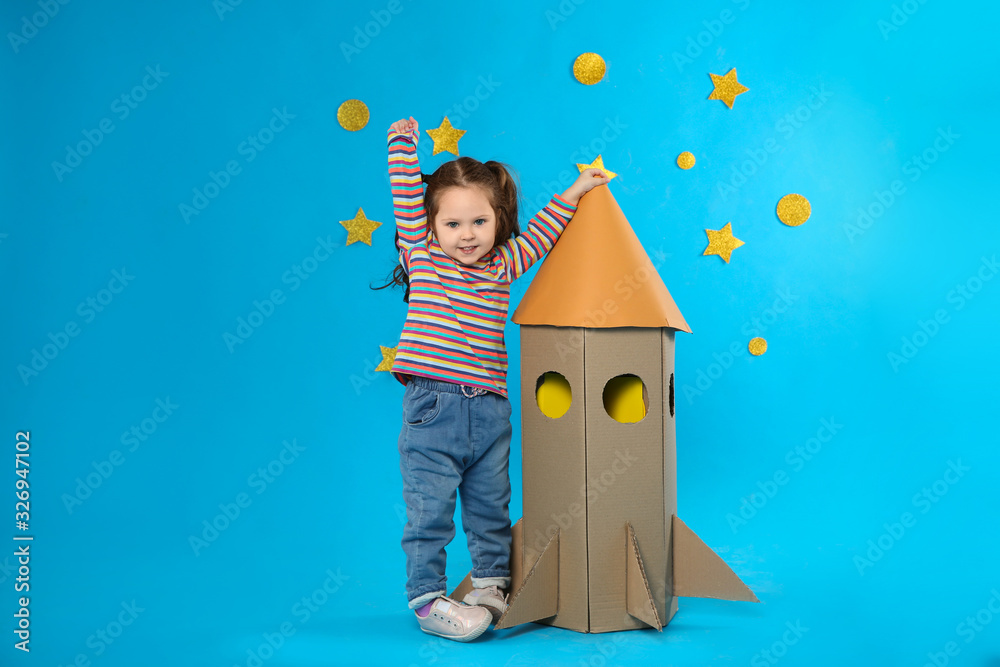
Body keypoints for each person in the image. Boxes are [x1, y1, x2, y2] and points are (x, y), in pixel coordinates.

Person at [378, 115, 608, 641]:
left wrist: (577, 189)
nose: (466, 235)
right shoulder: (422, 254)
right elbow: (404, 194)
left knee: (490, 504)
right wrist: (401, 142)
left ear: (497, 219)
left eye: (479, 222)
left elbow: (546, 231)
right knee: (429, 509)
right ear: (430, 227)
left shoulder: (503, 265)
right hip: (433, 406)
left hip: (490, 409)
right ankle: (427, 601)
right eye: (453, 224)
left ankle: (489, 586)